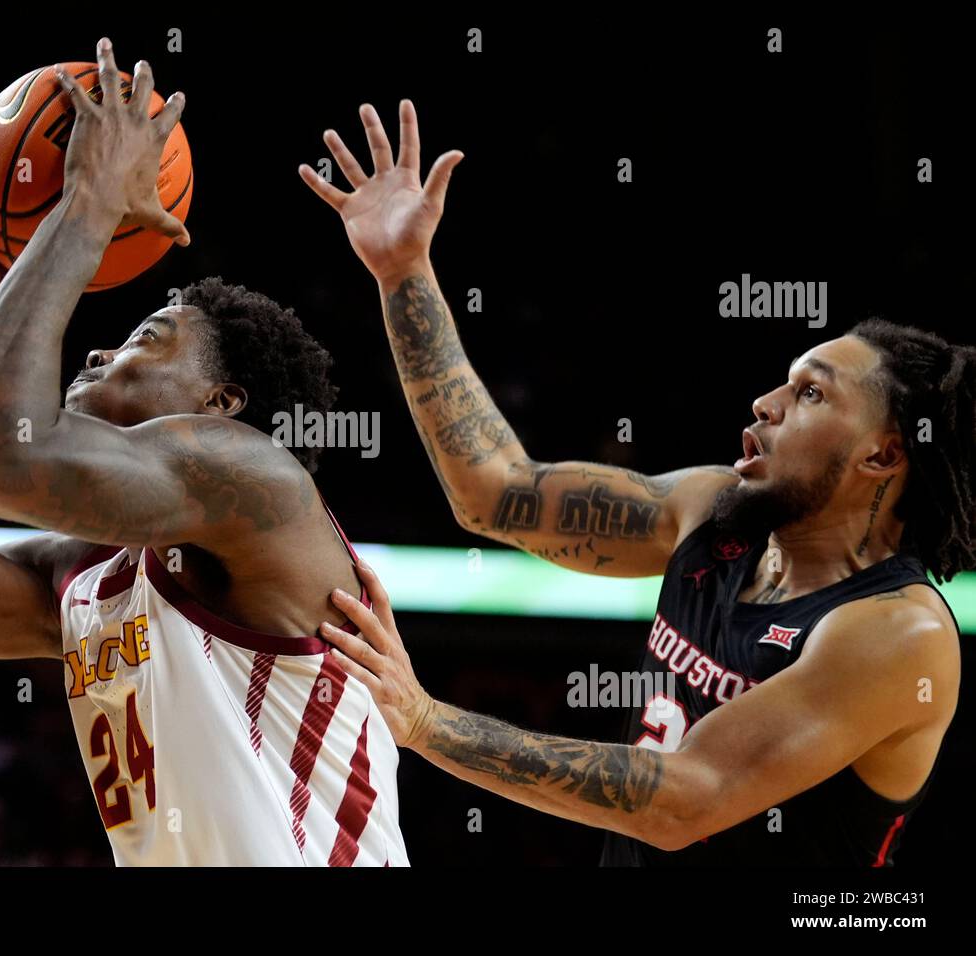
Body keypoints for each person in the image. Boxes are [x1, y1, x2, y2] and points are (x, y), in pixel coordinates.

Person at [0, 38, 407, 867]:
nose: (101, 351)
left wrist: (90, 203)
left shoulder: (259, 480)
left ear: (223, 407)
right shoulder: (87, 581)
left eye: (148, 338)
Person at [302, 99, 971, 864]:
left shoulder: (898, 633)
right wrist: (402, 272)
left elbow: (683, 798)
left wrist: (425, 722)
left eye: (811, 393)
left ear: (882, 456)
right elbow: (494, 494)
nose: (767, 403)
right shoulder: (714, 512)